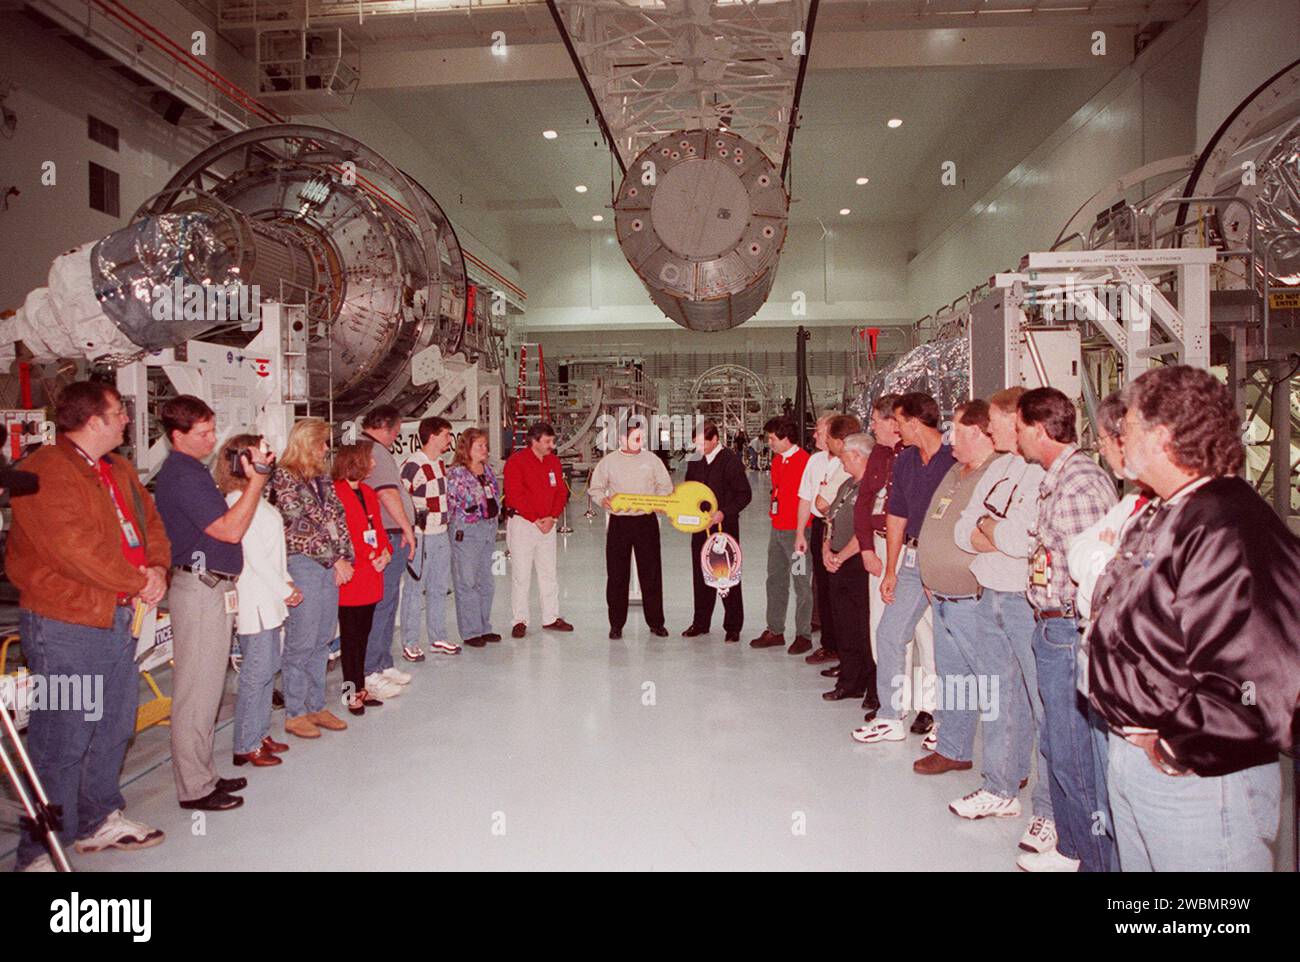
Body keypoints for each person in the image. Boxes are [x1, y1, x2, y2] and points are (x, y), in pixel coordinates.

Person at [1089, 365, 1300, 871]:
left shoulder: (1228, 525)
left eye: (1131, 424)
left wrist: (1177, 747)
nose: (1121, 434)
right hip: (1139, 756)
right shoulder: (1169, 511)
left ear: (1162, 437)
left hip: (1199, 780)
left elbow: (1264, 674)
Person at [8, 381, 169, 870]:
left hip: (120, 618)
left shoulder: (117, 468)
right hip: (67, 626)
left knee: (114, 726)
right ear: (94, 420)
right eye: (119, 412)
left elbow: (152, 521)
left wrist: (158, 568)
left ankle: (99, 819)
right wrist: (136, 580)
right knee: (62, 738)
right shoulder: (43, 472)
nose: (126, 419)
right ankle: (38, 849)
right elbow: (72, 549)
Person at [1013, 386, 1117, 873]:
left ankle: (1094, 859)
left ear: (1038, 429)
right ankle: (1073, 847)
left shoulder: (1080, 485)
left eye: (1018, 429)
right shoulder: (1056, 479)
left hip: (1067, 631)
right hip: (1050, 627)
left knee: (1076, 755)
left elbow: (1096, 577)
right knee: (1058, 744)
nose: (1015, 437)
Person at [154, 395, 271, 812]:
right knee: (195, 693)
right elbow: (229, 530)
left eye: (211, 429)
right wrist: (256, 481)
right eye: (201, 433)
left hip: (213, 588)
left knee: (208, 691)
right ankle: (194, 788)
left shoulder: (194, 472)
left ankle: (203, 774)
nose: (211, 439)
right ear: (177, 436)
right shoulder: (183, 475)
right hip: (199, 589)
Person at [949, 387, 1053, 854]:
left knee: (1044, 706)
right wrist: (994, 531)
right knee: (997, 697)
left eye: (994, 421)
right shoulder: (1003, 467)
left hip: (1026, 602)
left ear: (1018, 420)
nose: (988, 430)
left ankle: (1049, 813)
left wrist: (991, 529)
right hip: (990, 590)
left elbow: (1023, 538)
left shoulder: (1045, 474)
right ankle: (999, 788)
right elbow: (962, 527)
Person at [855, 393, 951, 744]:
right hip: (910, 560)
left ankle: (946, 722)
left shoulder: (953, 460)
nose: (895, 427)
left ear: (914, 421)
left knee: (946, 644)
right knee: (889, 633)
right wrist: (892, 570)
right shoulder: (906, 461)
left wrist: (942, 567)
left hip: (943, 562)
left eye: (898, 420)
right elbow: (897, 516)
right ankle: (890, 716)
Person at [911, 400, 996, 774]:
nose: (950, 438)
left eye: (957, 430)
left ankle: (1004, 766)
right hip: (944, 595)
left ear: (977, 432)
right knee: (954, 676)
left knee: (991, 682)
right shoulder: (957, 470)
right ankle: (954, 748)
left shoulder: (995, 475)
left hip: (974, 598)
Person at [214, 434, 300, 768]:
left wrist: (286, 581)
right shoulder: (236, 500)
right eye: (259, 454)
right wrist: (285, 589)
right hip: (256, 598)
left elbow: (272, 553)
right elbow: (253, 557)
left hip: (271, 596)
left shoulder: (257, 498)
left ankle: (260, 732)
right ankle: (245, 743)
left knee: (267, 671)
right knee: (255, 673)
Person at [272, 418, 353, 739]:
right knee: (301, 641)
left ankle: (316, 705)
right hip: (303, 563)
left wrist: (345, 557)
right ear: (307, 444)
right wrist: (335, 559)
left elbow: (338, 517)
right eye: (322, 443)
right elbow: (297, 526)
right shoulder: (284, 477)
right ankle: (296, 712)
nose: (326, 449)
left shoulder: (322, 478)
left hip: (329, 565)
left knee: (322, 639)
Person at [587, 420, 673, 640]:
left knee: (651, 574)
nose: (640, 441)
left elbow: (666, 487)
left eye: (641, 437)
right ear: (622, 439)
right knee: (617, 575)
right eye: (636, 437)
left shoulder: (652, 460)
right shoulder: (609, 462)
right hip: (620, 523)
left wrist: (657, 502)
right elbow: (595, 488)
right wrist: (602, 500)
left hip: (646, 521)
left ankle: (656, 622)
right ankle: (616, 624)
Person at [852, 394, 904, 722]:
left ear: (893, 422)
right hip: (879, 548)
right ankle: (889, 699)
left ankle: (924, 704)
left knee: (919, 633)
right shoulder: (879, 456)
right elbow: (863, 502)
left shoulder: (912, 457)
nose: (871, 426)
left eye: (874, 420)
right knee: (880, 626)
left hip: (908, 550)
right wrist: (868, 548)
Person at [358, 406, 415, 695]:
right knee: (381, 604)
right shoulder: (377, 452)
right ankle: (370, 669)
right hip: (388, 537)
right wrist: (407, 528)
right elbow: (386, 493)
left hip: (388, 536)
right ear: (390, 428)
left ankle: (382, 662)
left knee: (388, 601)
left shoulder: (370, 448)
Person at [333, 441, 393, 716]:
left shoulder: (369, 493)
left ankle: (360, 688)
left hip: (371, 575)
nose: (374, 464)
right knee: (350, 639)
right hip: (351, 577)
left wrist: (386, 552)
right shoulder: (336, 493)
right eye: (370, 459)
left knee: (364, 635)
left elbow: (378, 529)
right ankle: (350, 692)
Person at [681, 418, 752, 642]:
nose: (698, 448)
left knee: (726, 575)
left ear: (715, 439)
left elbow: (744, 494)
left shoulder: (730, 461)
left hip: (724, 528)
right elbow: (689, 490)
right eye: (695, 444)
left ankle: (733, 626)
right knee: (700, 574)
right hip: (700, 528)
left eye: (702, 444)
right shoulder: (695, 461)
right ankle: (700, 622)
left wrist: (723, 512)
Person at [503, 421, 574, 639]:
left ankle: (551, 617)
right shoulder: (516, 462)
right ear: (533, 441)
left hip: (548, 525)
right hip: (524, 524)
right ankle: (520, 620)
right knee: (521, 575)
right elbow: (515, 494)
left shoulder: (553, 462)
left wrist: (552, 517)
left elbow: (561, 492)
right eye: (547, 441)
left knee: (548, 572)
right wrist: (536, 519)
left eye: (552, 441)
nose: (551, 445)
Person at [749, 415, 812, 655]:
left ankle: (803, 634)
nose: (770, 443)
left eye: (773, 439)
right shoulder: (777, 461)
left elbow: (806, 500)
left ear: (786, 438)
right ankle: (775, 630)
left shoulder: (805, 462)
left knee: (801, 583)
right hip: (777, 531)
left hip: (797, 534)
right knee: (775, 579)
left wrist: (800, 534)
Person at [399, 416, 460, 658]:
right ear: (432, 436)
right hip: (421, 535)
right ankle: (410, 641)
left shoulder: (440, 464)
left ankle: (438, 637)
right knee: (415, 589)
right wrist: (410, 530)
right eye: (446, 435)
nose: (449, 440)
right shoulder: (413, 464)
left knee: (438, 588)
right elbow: (400, 499)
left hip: (441, 533)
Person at [821, 432, 874, 702]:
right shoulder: (847, 486)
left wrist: (841, 557)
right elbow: (830, 518)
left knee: (863, 625)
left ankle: (871, 685)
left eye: (844, 456)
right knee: (844, 624)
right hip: (837, 560)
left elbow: (865, 530)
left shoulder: (871, 488)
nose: (841, 460)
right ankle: (849, 681)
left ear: (857, 455)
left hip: (856, 563)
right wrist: (826, 548)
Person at [795, 414, 844, 666]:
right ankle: (828, 644)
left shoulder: (847, 462)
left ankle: (843, 647)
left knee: (840, 591)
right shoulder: (814, 461)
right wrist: (800, 533)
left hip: (840, 530)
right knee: (822, 588)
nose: (814, 435)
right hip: (817, 529)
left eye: (819, 431)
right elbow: (805, 498)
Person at [446, 427, 501, 647]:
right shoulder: (456, 473)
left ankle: (484, 626)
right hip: (467, 531)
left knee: (486, 582)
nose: (484, 450)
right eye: (480, 446)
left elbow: (494, 494)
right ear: (466, 448)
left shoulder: (487, 471)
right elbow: (451, 504)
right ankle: (470, 631)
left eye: (485, 445)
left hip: (487, 529)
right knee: (466, 582)